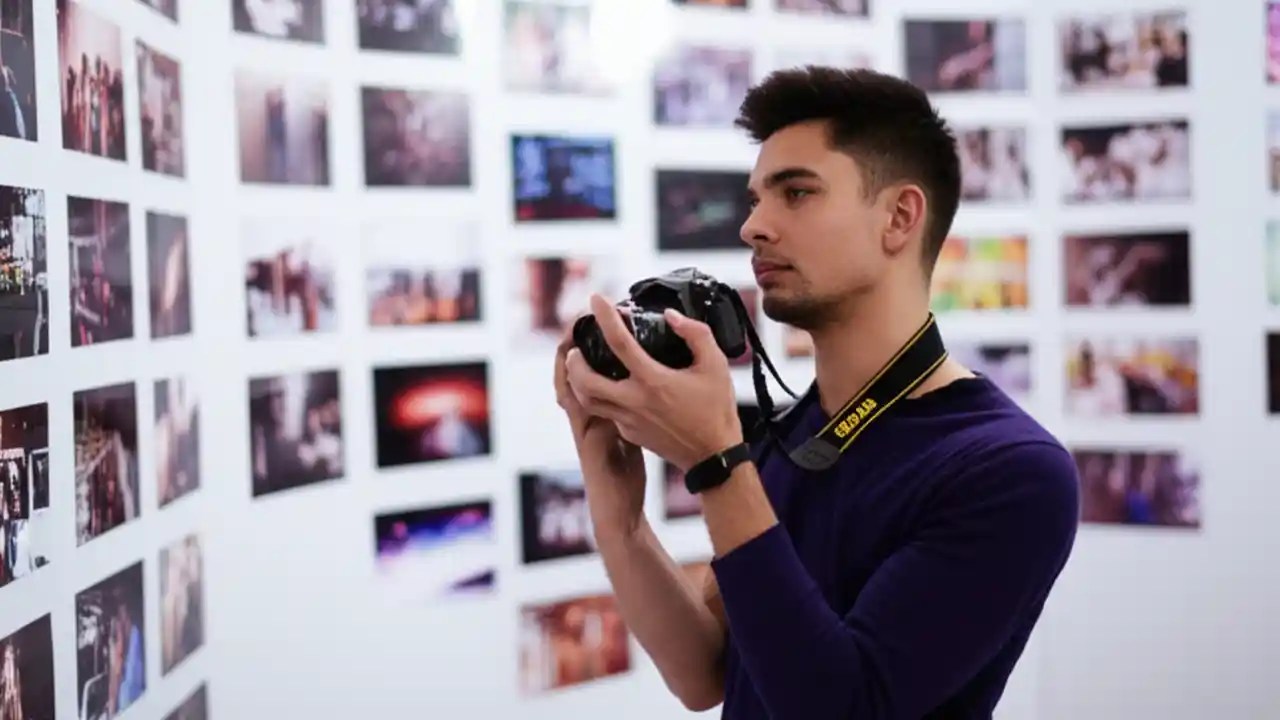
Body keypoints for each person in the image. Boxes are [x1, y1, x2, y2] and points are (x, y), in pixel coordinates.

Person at [553, 66, 1080, 719]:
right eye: (755, 200)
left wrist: (718, 464)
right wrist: (616, 506)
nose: (754, 227)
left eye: (796, 193)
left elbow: (840, 706)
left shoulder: (1013, 471)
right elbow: (706, 670)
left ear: (899, 217)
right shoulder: (802, 434)